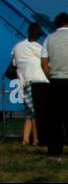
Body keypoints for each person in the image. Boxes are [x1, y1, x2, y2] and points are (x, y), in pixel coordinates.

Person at [10, 22, 48, 147]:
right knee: (37, 112)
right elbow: (47, 61)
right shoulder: (38, 48)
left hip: (23, 82)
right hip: (38, 82)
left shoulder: (18, 46)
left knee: (29, 113)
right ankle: (37, 140)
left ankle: (25, 139)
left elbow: (14, 64)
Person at [42, 11, 68, 159]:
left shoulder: (49, 38)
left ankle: (54, 152)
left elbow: (44, 60)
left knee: (55, 119)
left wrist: (49, 75)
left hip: (56, 81)